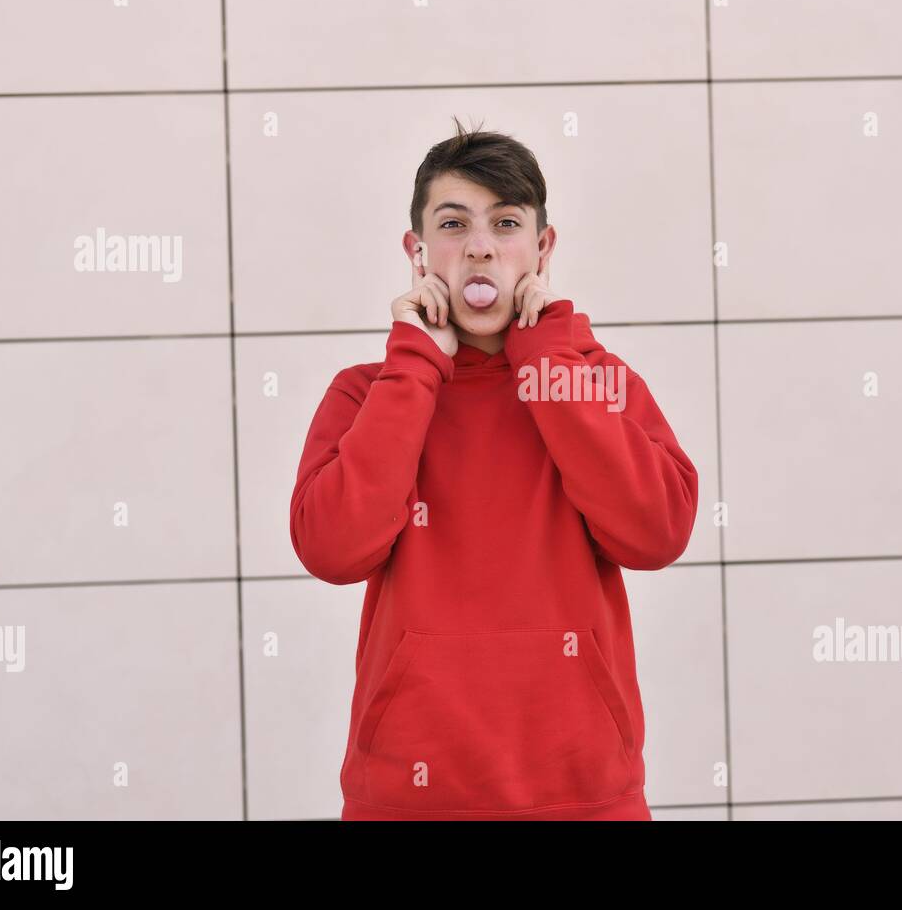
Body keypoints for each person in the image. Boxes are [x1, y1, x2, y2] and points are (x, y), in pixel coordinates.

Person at [289, 117, 700, 820]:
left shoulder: (593, 381)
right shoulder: (368, 392)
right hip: (404, 800)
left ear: (541, 248)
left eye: (505, 222)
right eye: (453, 224)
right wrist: (417, 361)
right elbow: (332, 548)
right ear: (417, 252)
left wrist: (545, 359)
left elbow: (657, 532)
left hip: (585, 799)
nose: (480, 246)